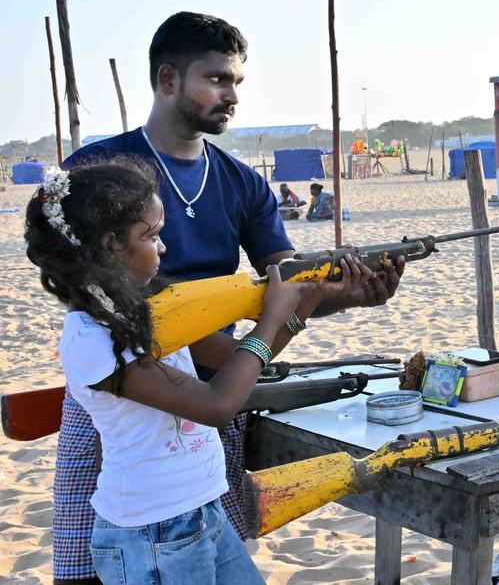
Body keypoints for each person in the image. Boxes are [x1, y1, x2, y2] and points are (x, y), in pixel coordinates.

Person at [55, 11, 402, 585]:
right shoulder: (97, 173)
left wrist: (353, 294)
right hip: (121, 397)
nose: (232, 94)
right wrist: (250, 346)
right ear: (168, 80)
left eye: (237, 81)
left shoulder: (243, 181)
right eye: (217, 79)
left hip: (215, 398)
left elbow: (281, 290)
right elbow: (90, 302)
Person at [27, 159, 371, 584]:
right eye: (151, 236)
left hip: (202, 513)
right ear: (110, 245)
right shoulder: (90, 338)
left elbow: (237, 360)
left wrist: (303, 308)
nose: (164, 247)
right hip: (152, 533)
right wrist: (269, 320)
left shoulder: (151, 310)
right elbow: (216, 405)